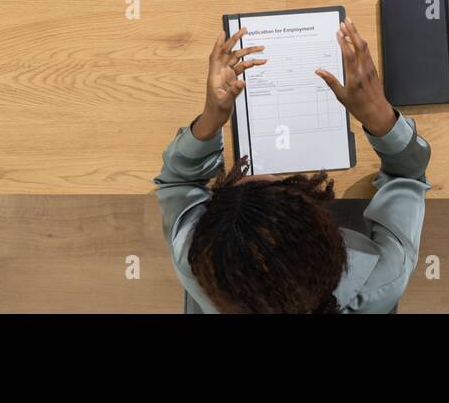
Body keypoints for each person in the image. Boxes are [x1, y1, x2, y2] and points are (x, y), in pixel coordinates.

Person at [155, 20, 431, 314]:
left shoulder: (197, 260)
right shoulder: (384, 276)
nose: (253, 173)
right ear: (329, 238)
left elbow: (176, 185)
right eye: (280, 186)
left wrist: (209, 122)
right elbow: (408, 175)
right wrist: (381, 119)